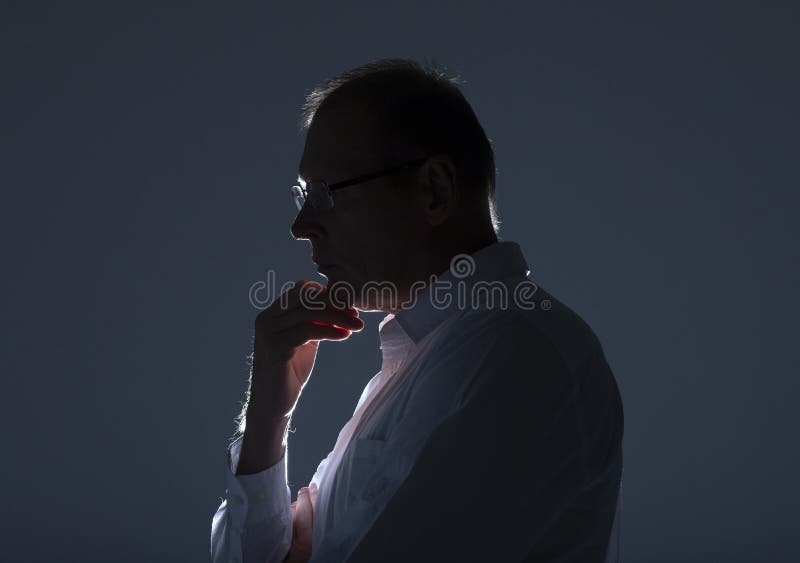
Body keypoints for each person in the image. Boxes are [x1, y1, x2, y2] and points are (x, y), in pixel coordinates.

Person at [211, 58, 624, 562]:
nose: (301, 225)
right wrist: (267, 417)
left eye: (324, 194)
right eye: (303, 194)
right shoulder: (426, 361)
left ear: (434, 191)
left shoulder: (520, 357)